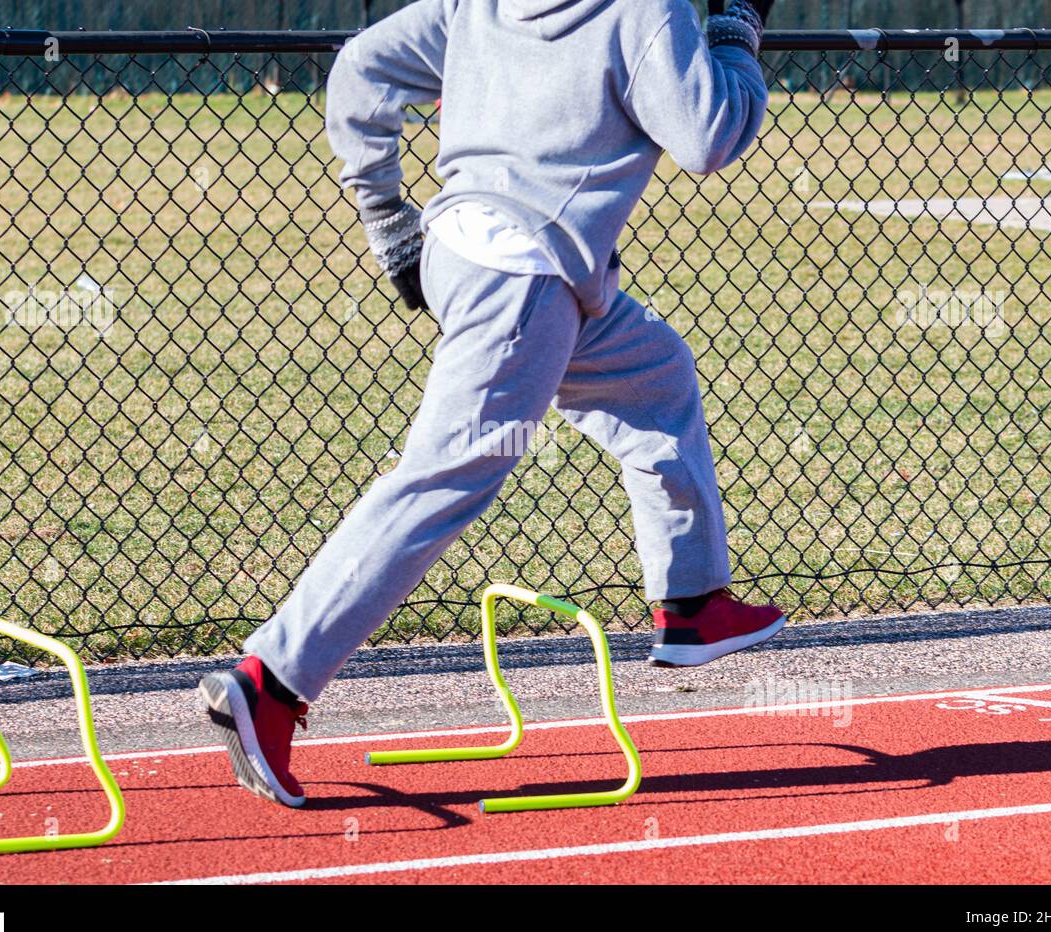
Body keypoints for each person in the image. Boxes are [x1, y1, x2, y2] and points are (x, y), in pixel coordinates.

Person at [200, 0, 783, 807]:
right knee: (444, 479)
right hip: (527, 281)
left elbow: (359, 70)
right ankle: (270, 680)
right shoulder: (652, 9)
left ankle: (692, 602)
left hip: (485, 257)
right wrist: (736, 36)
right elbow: (709, 136)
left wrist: (388, 222)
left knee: (655, 376)